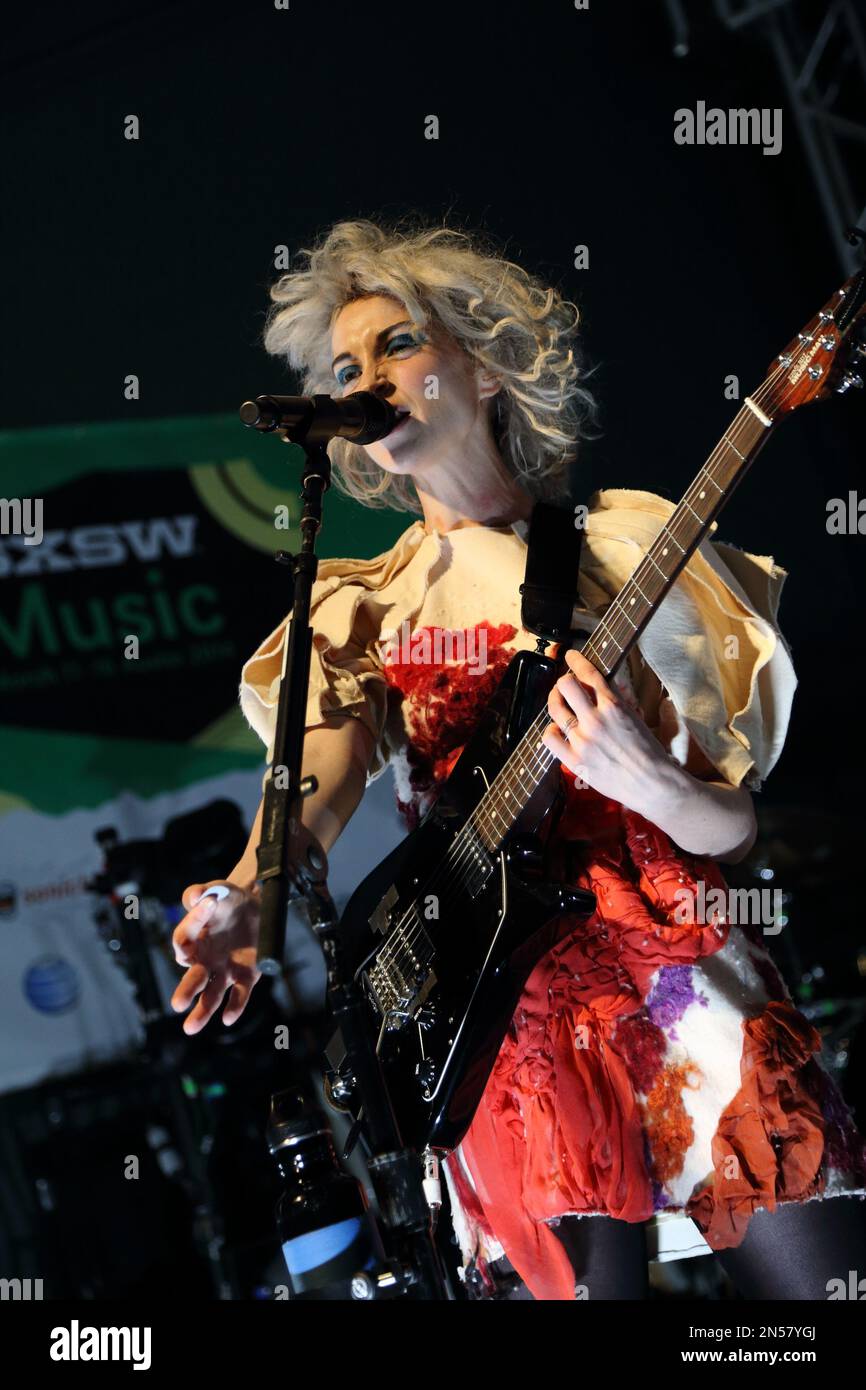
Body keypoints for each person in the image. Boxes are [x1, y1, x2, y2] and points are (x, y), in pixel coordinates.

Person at [171, 218, 866, 1300]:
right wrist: (244, 889)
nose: (368, 378)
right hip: (499, 1010)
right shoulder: (368, 605)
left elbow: (732, 827)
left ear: (483, 368)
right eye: (346, 367)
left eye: (396, 345)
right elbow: (314, 782)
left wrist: (656, 784)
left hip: (672, 963)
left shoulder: (625, 553)